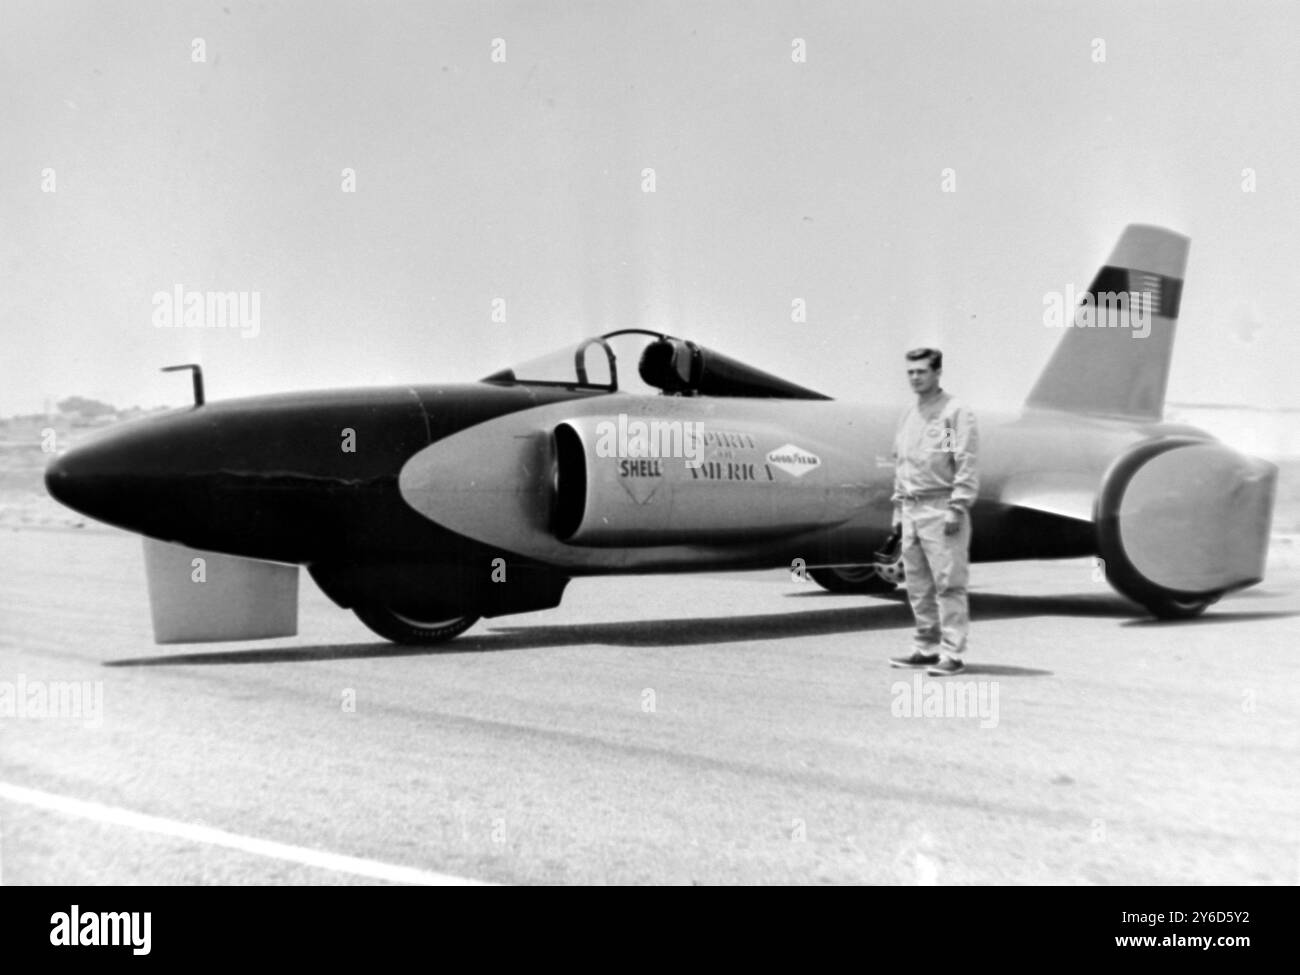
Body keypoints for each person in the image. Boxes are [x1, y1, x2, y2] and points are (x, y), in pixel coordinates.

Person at [888, 348, 979, 676]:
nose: (915, 378)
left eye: (921, 372)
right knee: (917, 584)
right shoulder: (909, 414)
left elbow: (965, 459)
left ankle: (952, 654)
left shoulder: (954, 413)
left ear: (937, 373)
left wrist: (958, 505)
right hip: (912, 508)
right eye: (910, 372)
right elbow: (902, 463)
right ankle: (926, 647)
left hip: (941, 506)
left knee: (949, 583)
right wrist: (899, 509)